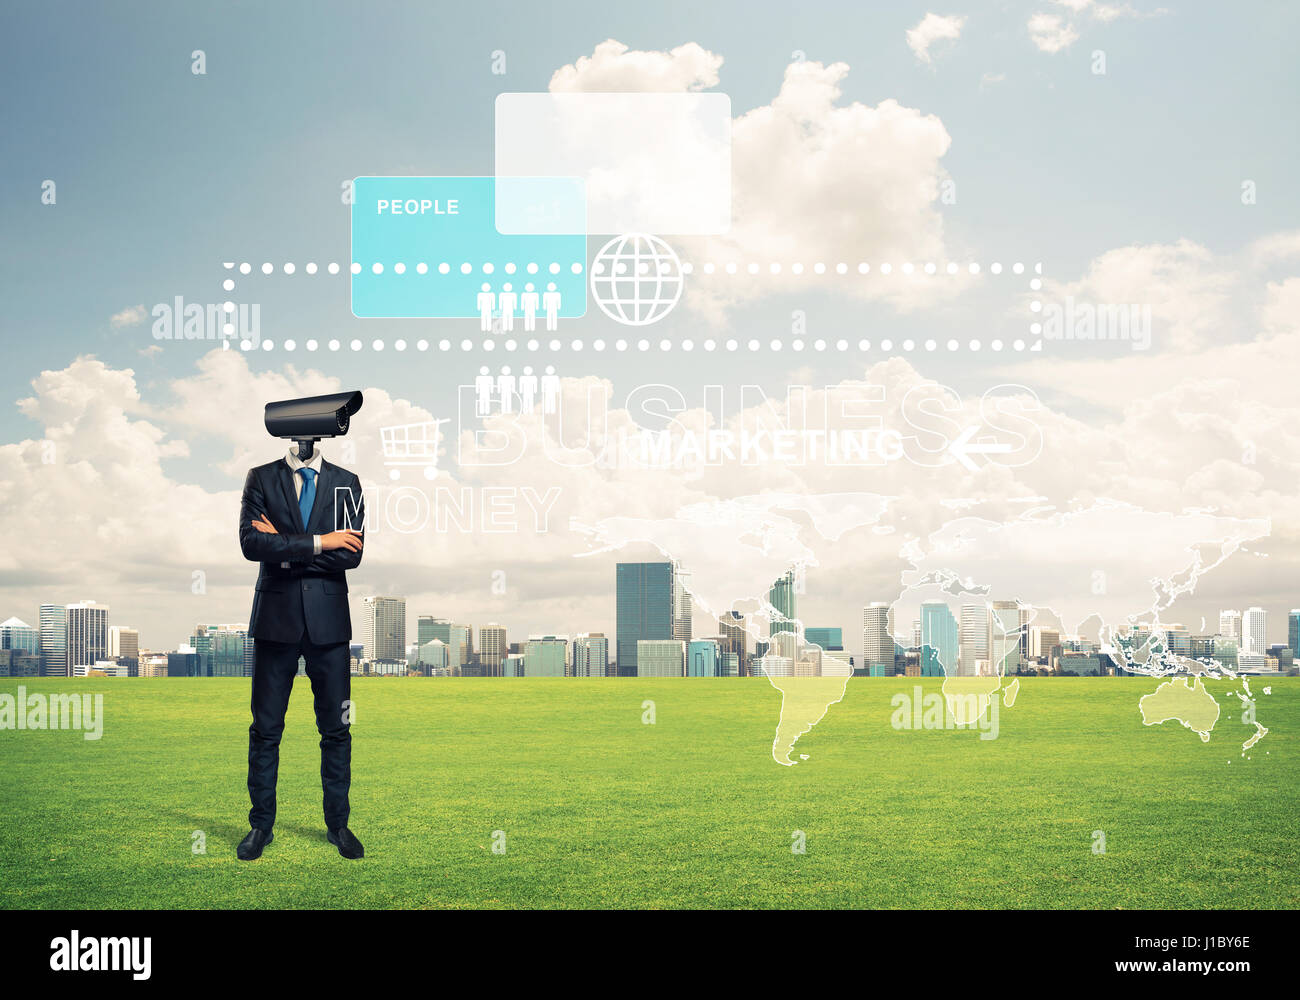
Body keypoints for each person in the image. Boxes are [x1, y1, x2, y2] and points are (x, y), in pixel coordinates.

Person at [235, 443, 366, 861]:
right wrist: (320, 542)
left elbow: (352, 555)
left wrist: (288, 550)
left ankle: (338, 826)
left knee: (337, 730)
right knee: (266, 729)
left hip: (329, 627)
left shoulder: (347, 483)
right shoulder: (261, 477)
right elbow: (251, 544)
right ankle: (260, 827)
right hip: (276, 622)